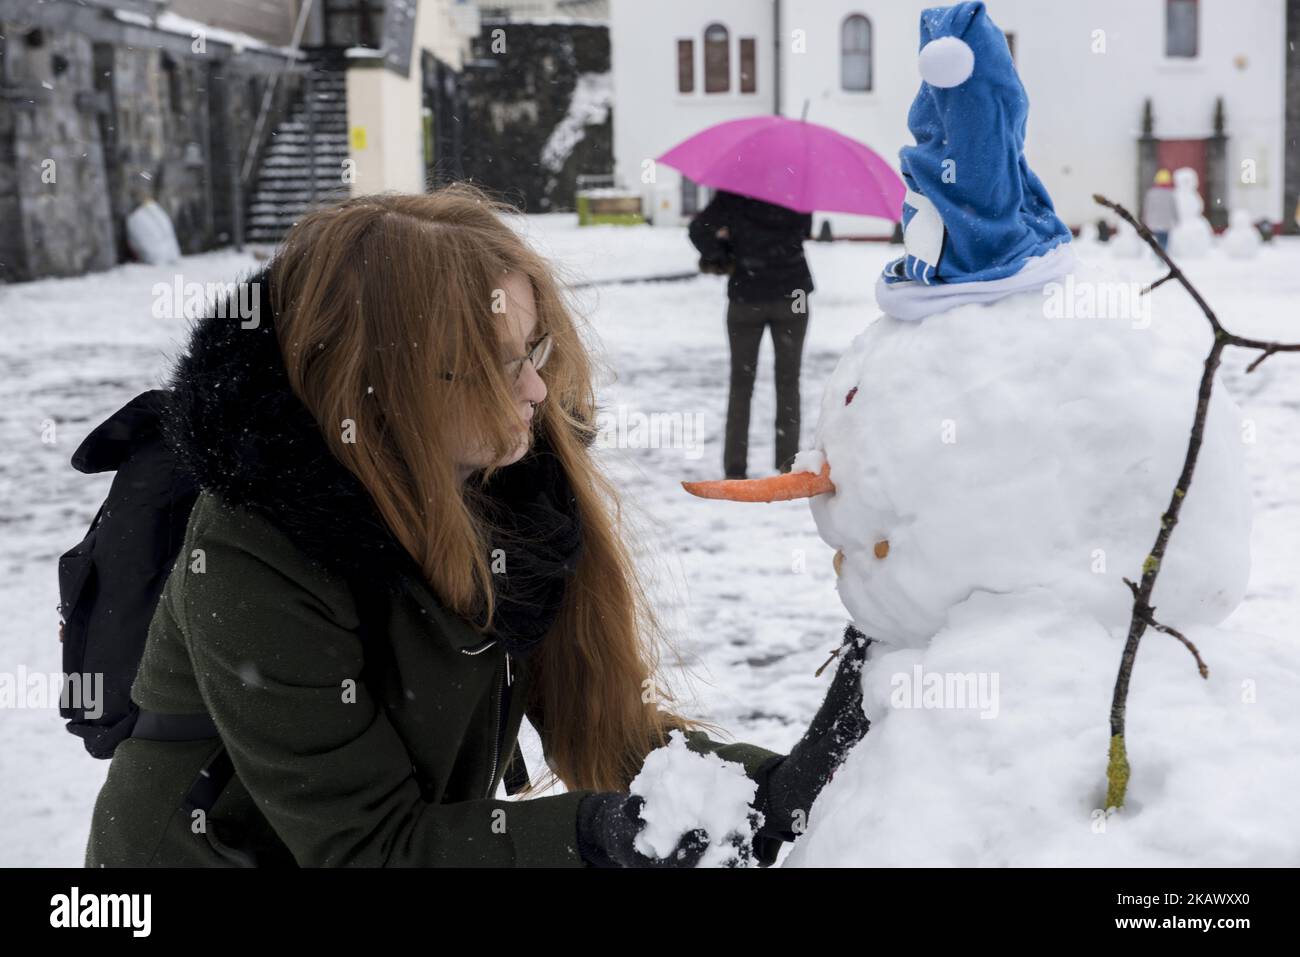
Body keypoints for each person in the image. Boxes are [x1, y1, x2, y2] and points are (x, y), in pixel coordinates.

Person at [83, 185, 868, 868]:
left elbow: (600, 725)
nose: (534, 385)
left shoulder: (513, 487)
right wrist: (594, 836)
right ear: (386, 383)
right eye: (496, 363)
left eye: (534, 349)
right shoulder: (252, 547)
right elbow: (366, 845)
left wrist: (771, 786)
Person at [688, 189, 814, 479]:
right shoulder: (797, 186)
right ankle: (787, 462)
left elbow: (698, 229)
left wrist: (724, 252)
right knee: (789, 380)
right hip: (792, 292)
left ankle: (735, 466)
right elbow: (805, 229)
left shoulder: (736, 190)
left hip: (747, 293)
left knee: (741, 383)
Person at [1143, 168, 1177, 250]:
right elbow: (1174, 209)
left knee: (1156, 240)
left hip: (1154, 222)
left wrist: (1145, 219)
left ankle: (1156, 255)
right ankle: (1162, 256)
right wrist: (1176, 219)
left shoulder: (1151, 193)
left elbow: (1147, 208)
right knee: (1164, 241)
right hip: (1166, 223)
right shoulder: (1170, 194)